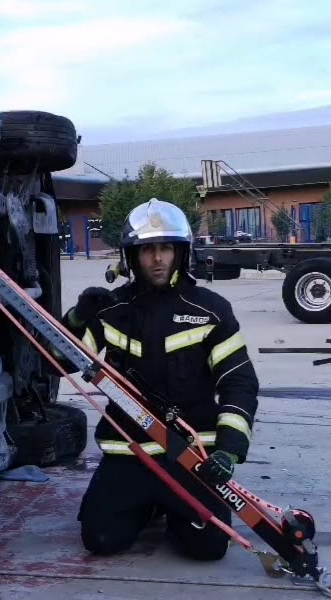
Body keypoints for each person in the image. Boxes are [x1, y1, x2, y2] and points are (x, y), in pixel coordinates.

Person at [65, 198, 260, 561]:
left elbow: (239, 382)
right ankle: (151, 505)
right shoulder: (110, 310)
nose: (157, 259)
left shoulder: (210, 311)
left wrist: (229, 449)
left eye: (166, 248)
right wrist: (76, 319)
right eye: (147, 249)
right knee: (100, 539)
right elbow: (58, 362)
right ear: (131, 257)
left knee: (209, 548)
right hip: (130, 456)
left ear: (181, 253)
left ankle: (174, 508)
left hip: (190, 458)